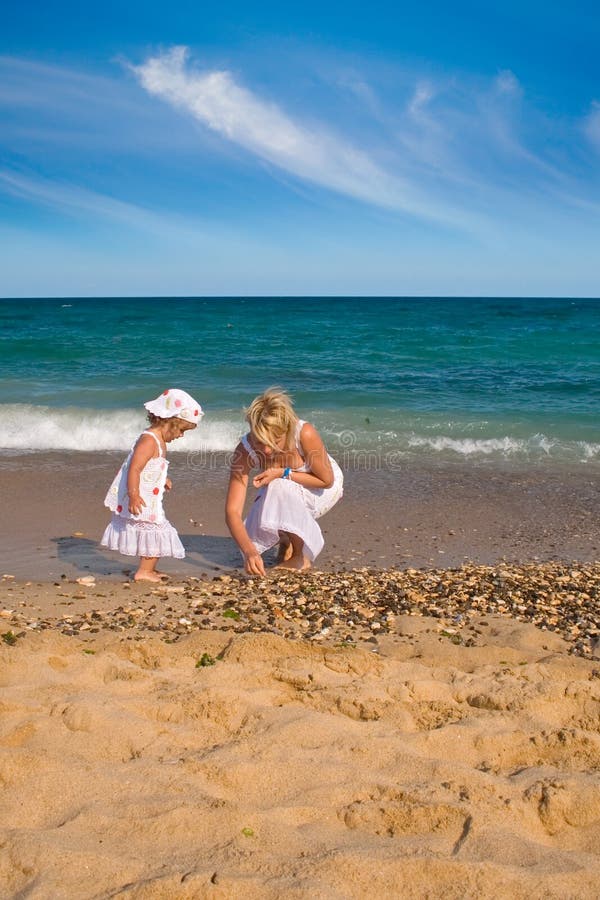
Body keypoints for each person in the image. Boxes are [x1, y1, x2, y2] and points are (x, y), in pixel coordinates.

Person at [226, 387, 343, 575]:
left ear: (287, 430)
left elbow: (326, 481)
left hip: (322, 486)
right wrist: (249, 552)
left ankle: (299, 556)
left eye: (274, 441)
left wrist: (283, 472)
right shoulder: (244, 450)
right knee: (265, 506)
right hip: (286, 486)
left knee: (278, 486)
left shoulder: (304, 433)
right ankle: (286, 539)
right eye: (260, 441)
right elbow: (232, 511)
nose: (266, 450)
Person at [101, 388, 203, 582]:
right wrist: (133, 495)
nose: (181, 435)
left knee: (154, 530)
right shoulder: (149, 441)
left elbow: (151, 466)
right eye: (181, 430)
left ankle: (148, 569)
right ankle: (144, 571)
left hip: (150, 495)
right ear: (170, 421)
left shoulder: (158, 440)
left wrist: (162, 478)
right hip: (142, 497)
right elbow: (135, 468)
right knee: (157, 530)